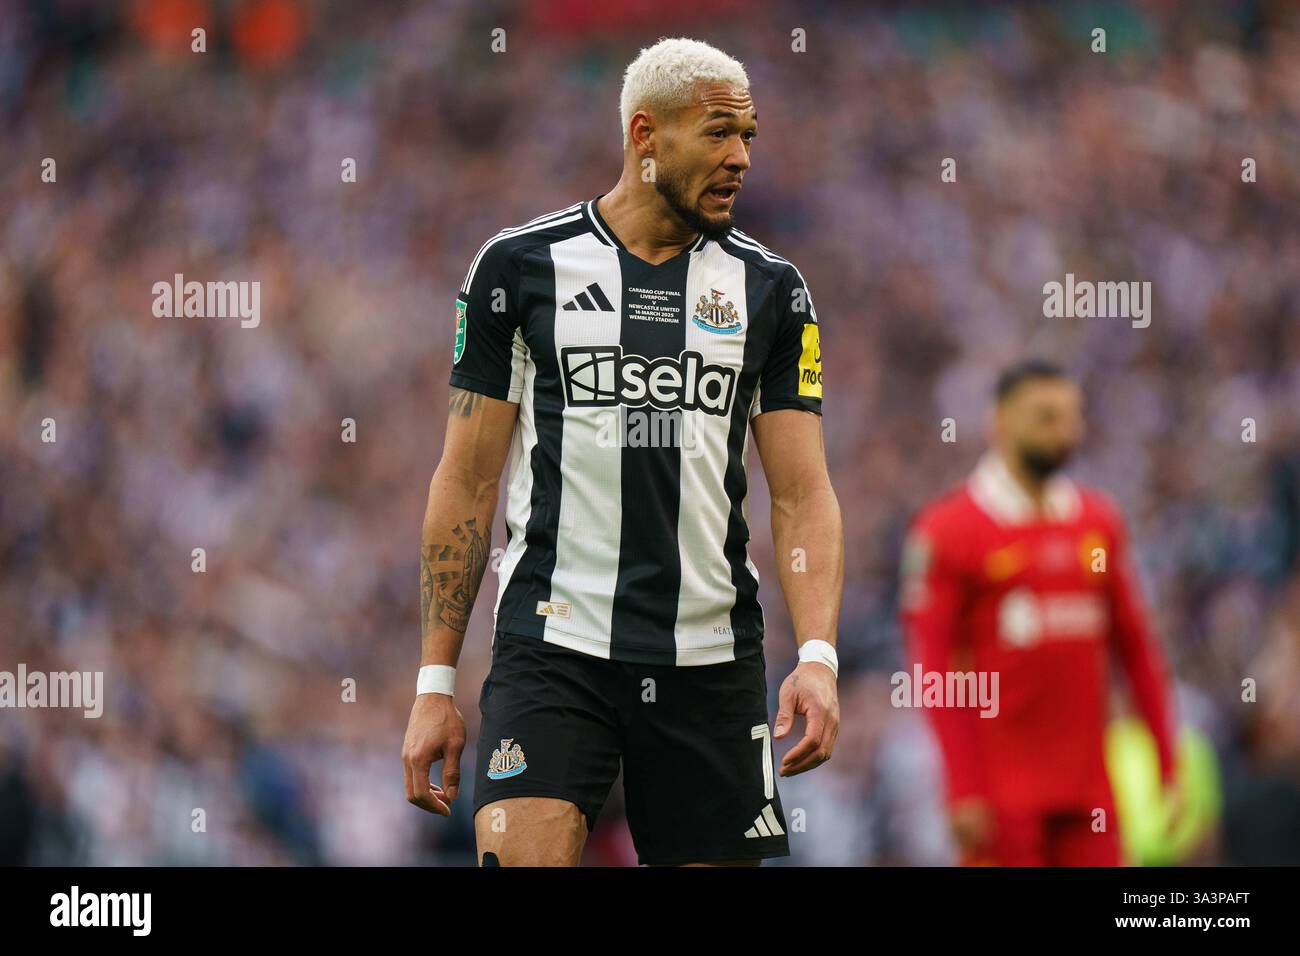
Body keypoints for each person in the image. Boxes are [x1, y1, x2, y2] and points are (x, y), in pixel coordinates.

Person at [401, 37, 843, 866]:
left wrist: (817, 655)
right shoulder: (518, 268)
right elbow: (465, 483)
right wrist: (434, 684)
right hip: (553, 648)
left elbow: (803, 493)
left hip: (710, 660)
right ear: (646, 136)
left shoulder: (774, 291)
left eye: (749, 135)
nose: (741, 157)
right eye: (718, 133)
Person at [900, 359, 1179, 866]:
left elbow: (1137, 650)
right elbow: (934, 671)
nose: (1064, 432)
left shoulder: (1098, 524)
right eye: (1046, 416)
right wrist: (963, 787)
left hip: (1089, 794)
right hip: (1001, 800)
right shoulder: (949, 531)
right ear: (1000, 423)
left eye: (1072, 417)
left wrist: (1167, 760)